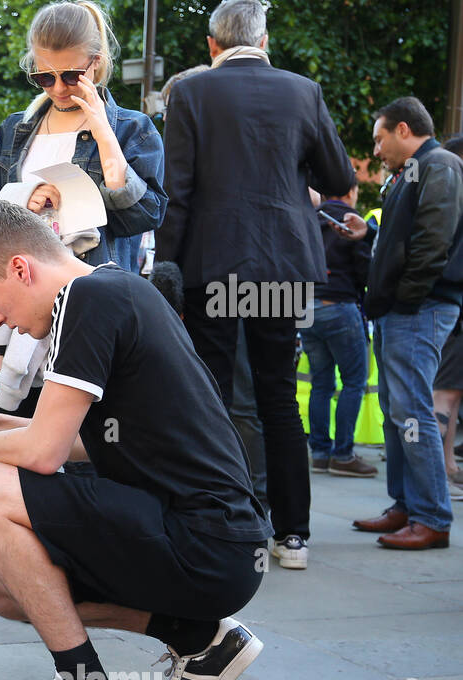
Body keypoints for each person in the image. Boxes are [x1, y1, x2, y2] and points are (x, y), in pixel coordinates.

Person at [0, 202, 268, 680]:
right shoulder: (112, 288)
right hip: (214, 542)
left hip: (205, 540)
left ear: (22, 269)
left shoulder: (88, 300)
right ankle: (199, 638)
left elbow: (44, 452)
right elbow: (80, 441)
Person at [156, 0, 355, 571]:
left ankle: (222, 521)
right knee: (278, 398)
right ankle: (293, 535)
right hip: (286, 264)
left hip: (216, 265)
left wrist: (165, 270)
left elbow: (179, 193)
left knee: (213, 396)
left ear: (213, 45)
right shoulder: (304, 91)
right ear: (264, 40)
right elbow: (340, 177)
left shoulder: (193, 94)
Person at [0, 0, 166, 275]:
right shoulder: (14, 129)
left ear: (96, 62)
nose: (58, 88)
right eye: (45, 77)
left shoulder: (132, 128)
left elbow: (145, 216)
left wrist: (104, 134)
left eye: (71, 76)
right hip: (20, 290)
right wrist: (22, 198)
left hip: (92, 293)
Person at [347, 97, 463, 549]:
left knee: (411, 411)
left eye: (378, 140)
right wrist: (370, 233)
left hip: (417, 307)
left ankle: (431, 517)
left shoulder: (439, 166)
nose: (375, 151)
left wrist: (406, 300)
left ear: (401, 129)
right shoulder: (425, 169)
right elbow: (414, 239)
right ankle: (407, 507)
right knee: (402, 414)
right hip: (407, 306)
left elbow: (433, 242)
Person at [303, 178, 376, 477]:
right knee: (353, 381)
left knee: (321, 382)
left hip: (305, 307)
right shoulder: (349, 222)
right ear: (349, 191)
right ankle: (343, 455)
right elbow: (364, 272)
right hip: (339, 306)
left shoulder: (308, 218)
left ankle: (319, 453)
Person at [435, 133, 463, 500]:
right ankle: (446, 470)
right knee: (449, 394)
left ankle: (438, 479)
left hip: (453, 310)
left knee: (443, 395)